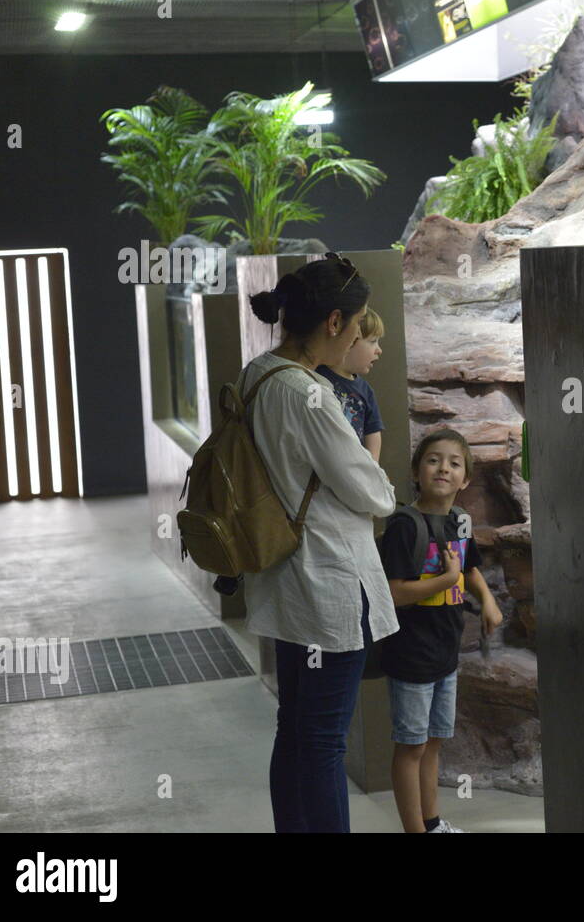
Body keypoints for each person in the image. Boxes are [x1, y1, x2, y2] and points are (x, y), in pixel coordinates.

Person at [244, 253, 399, 833]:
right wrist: (381, 482)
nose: (361, 336)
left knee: (296, 729)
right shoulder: (310, 396)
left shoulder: (257, 372)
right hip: (331, 583)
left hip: (286, 580)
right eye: (358, 325)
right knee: (327, 741)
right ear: (334, 323)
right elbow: (372, 492)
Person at [378, 429, 503, 833]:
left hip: (445, 654)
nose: (443, 468)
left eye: (454, 462)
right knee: (411, 746)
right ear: (416, 471)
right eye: (433, 460)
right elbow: (395, 593)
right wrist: (445, 579)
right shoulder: (403, 525)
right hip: (411, 655)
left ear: (465, 478)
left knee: (432, 743)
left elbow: (468, 569)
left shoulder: (459, 521)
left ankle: (431, 825)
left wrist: (487, 599)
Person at [316, 307, 385, 461]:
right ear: (350, 339)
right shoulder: (316, 378)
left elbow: (372, 432)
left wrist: (373, 471)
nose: (379, 350)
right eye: (373, 341)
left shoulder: (366, 391)